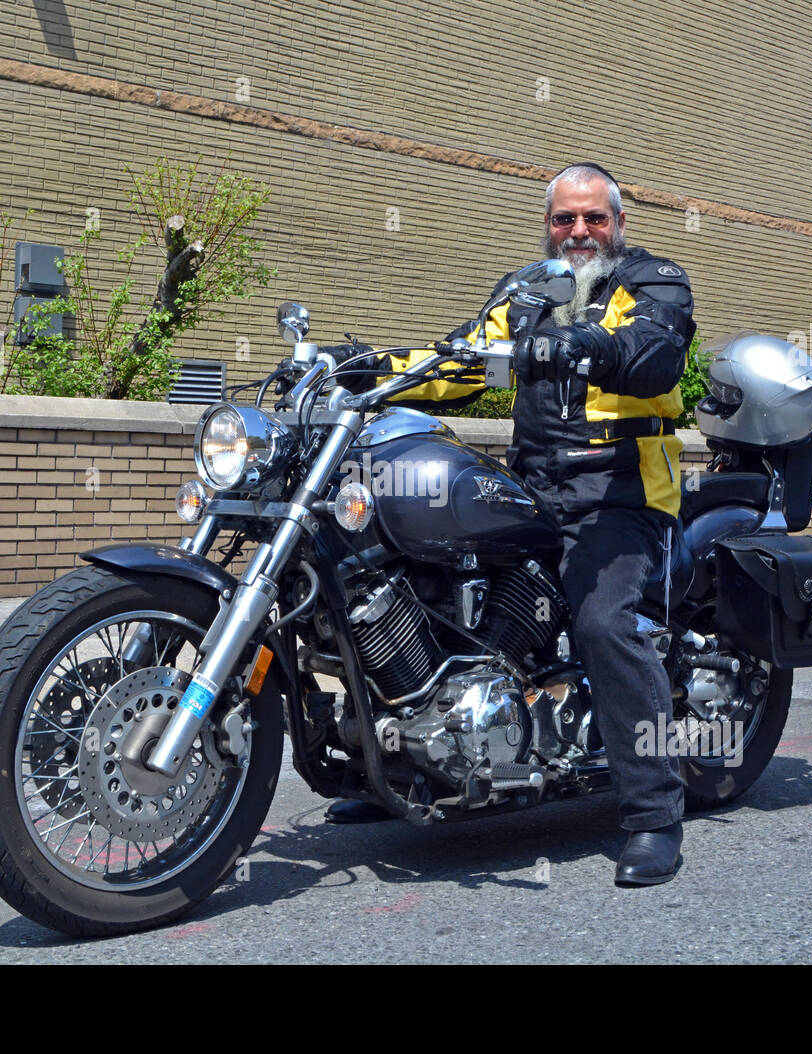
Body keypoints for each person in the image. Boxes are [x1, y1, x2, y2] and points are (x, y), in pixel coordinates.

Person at [327, 162, 694, 887]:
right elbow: (461, 362)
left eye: (594, 218)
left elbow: (655, 354)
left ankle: (653, 814)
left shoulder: (653, 281)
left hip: (620, 493)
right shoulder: (525, 291)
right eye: (565, 219)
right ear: (548, 225)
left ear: (619, 222)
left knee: (601, 625)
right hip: (534, 485)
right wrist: (368, 368)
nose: (579, 231)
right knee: (420, 580)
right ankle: (400, 768)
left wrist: (587, 346)